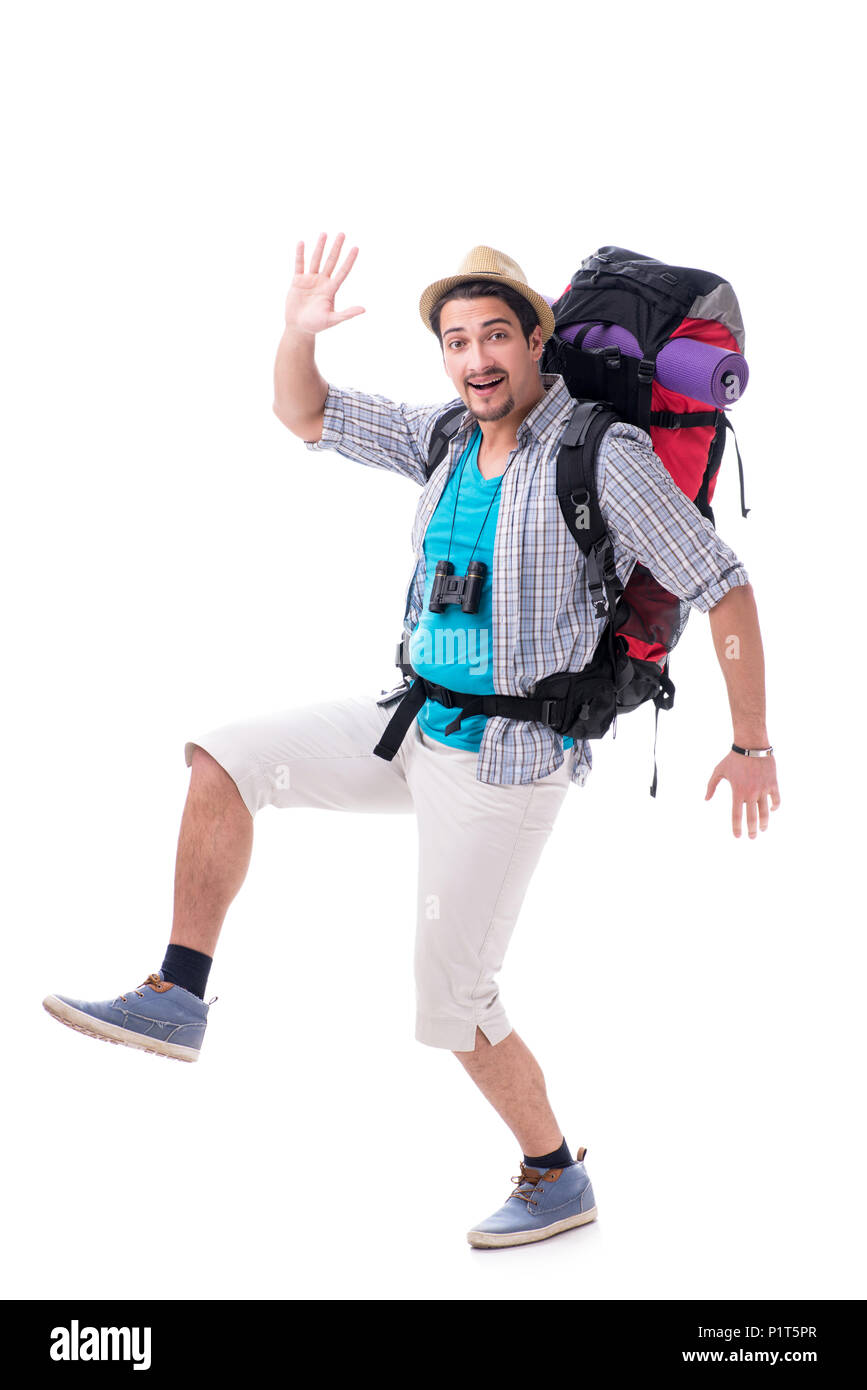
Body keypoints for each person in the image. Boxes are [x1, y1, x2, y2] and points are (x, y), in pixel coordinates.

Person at [43, 233, 781, 1249]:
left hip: (508, 761)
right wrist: (297, 334)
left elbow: (722, 579)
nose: (476, 359)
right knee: (224, 755)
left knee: (453, 999)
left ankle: (555, 1172)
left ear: (537, 340)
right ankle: (178, 992)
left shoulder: (603, 453)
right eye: (456, 340)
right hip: (413, 719)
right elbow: (305, 411)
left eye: (495, 338)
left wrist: (752, 744)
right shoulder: (443, 433)